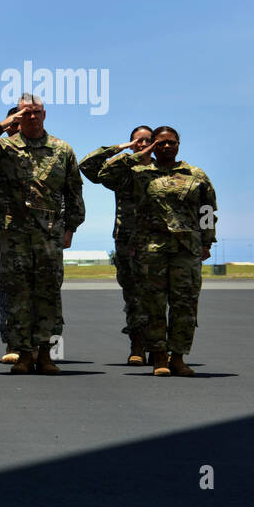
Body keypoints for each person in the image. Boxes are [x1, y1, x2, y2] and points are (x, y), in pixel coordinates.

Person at [0, 94, 83, 375]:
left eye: (36, 112)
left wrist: (70, 228)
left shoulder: (62, 149)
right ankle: (22, 354)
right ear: (17, 116)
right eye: (25, 113)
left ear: (44, 114)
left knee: (49, 296)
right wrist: (1, 124)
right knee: (17, 296)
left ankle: (46, 355)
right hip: (12, 236)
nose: (31, 117)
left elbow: (74, 191)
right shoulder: (1, 147)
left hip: (48, 236)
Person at [93, 127, 216, 376]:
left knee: (185, 305)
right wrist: (134, 153)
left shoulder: (195, 175)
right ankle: (159, 357)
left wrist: (207, 242)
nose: (167, 147)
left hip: (186, 250)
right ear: (153, 147)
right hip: (151, 251)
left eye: (171, 143)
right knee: (154, 306)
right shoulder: (138, 174)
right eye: (160, 144)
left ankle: (178, 357)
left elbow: (208, 211)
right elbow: (101, 173)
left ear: (179, 144)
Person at [80, 126, 154, 364]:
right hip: (128, 241)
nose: (142, 144)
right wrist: (120, 149)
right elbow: (88, 167)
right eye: (137, 141)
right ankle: (138, 346)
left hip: (161, 244)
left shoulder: (164, 169)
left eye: (147, 140)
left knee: (159, 297)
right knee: (133, 296)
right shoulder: (123, 171)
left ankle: (160, 347)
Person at [0, 105, 21, 361]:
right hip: (2, 227)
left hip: (43, 229)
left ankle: (41, 347)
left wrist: (68, 227)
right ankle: (12, 342)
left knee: (43, 287)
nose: (19, 126)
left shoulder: (53, 150)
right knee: (7, 285)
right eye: (15, 122)